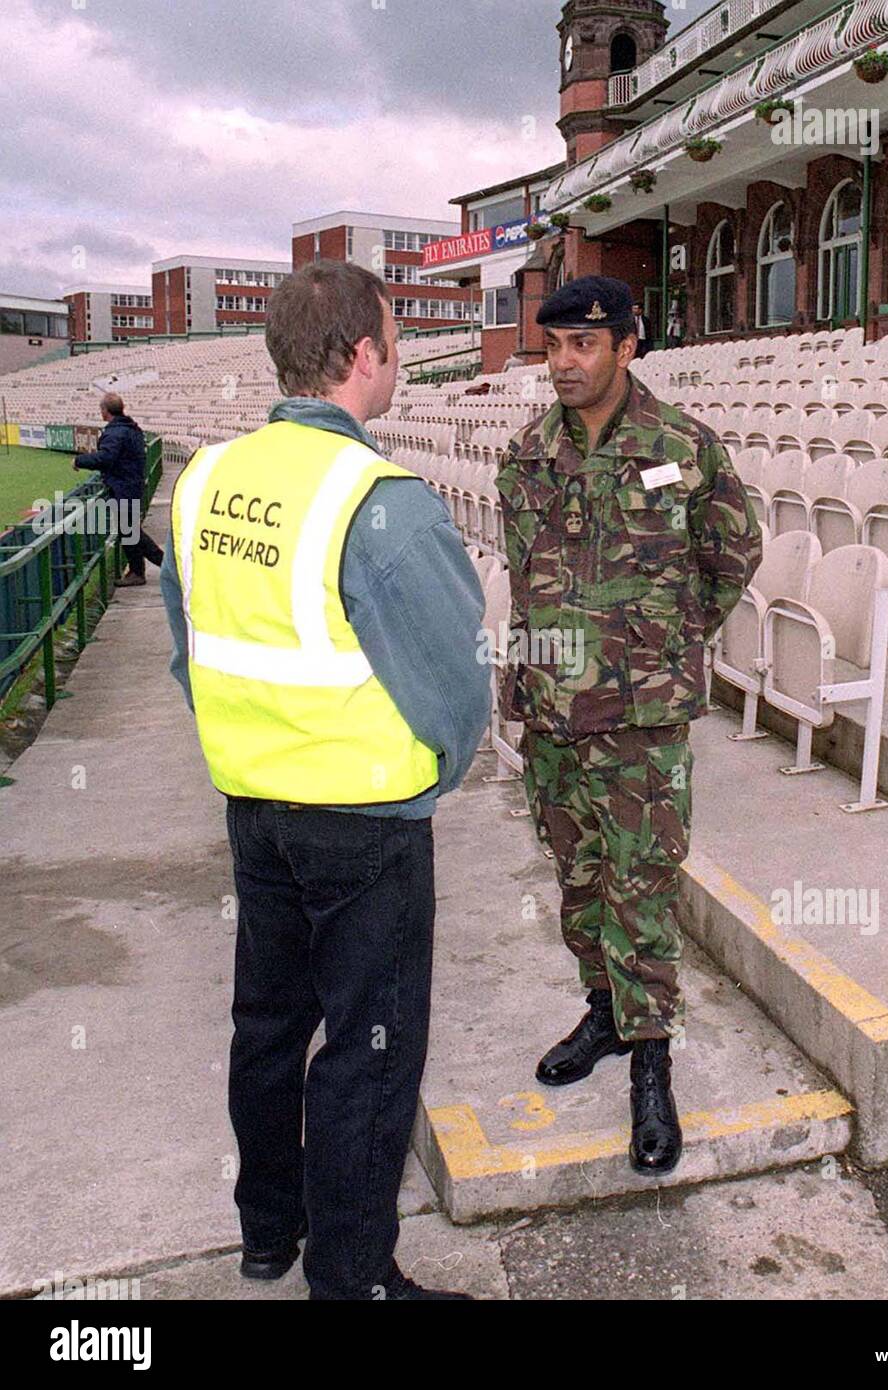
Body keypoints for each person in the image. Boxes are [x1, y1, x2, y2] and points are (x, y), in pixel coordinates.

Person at [160, 262, 492, 1300]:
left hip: (255, 810)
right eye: (394, 336)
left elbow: (188, 647)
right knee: (366, 1051)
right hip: (365, 825)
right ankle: (351, 1279)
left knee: (267, 1025)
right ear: (363, 355)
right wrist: (432, 776)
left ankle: (269, 1232)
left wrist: (253, 741)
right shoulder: (378, 502)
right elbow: (456, 685)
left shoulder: (207, 480)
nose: (396, 354)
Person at [495, 275, 761, 1176]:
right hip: (553, 716)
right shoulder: (525, 455)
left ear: (627, 347)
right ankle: (603, 1015)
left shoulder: (685, 448)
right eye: (553, 347)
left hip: (642, 720)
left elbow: (733, 556)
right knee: (577, 876)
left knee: (642, 887)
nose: (563, 364)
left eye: (583, 346)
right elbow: (527, 578)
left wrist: (666, 643)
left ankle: (653, 1062)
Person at [73, 392, 163, 586]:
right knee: (128, 531)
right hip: (132, 484)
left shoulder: (115, 432)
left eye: (101, 409)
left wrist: (79, 460)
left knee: (130, 531)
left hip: (123, 487)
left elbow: (106, 458)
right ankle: (137, 572)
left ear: (105, 411)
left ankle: (168, 565)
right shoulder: (132, 428)